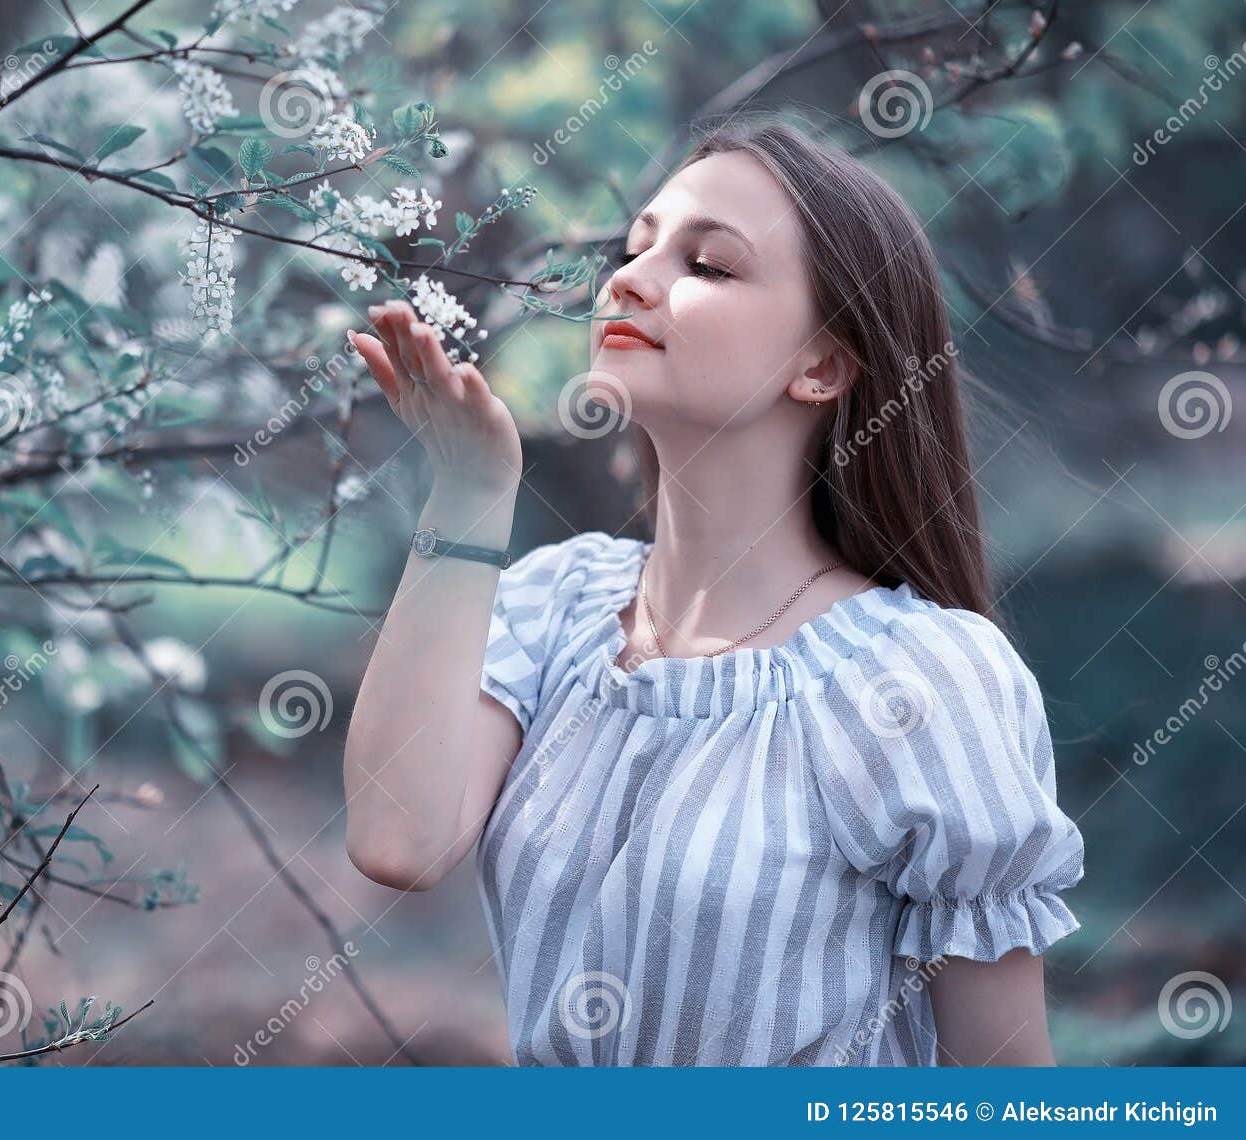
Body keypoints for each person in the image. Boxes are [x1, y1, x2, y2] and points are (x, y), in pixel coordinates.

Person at [341, 115, 1085, 1067]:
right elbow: (398, 839)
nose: (627, 280)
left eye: (708, 265)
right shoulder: (553, 607)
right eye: (635, 247)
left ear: (823, 365)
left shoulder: (920, 679)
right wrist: (468, 489)